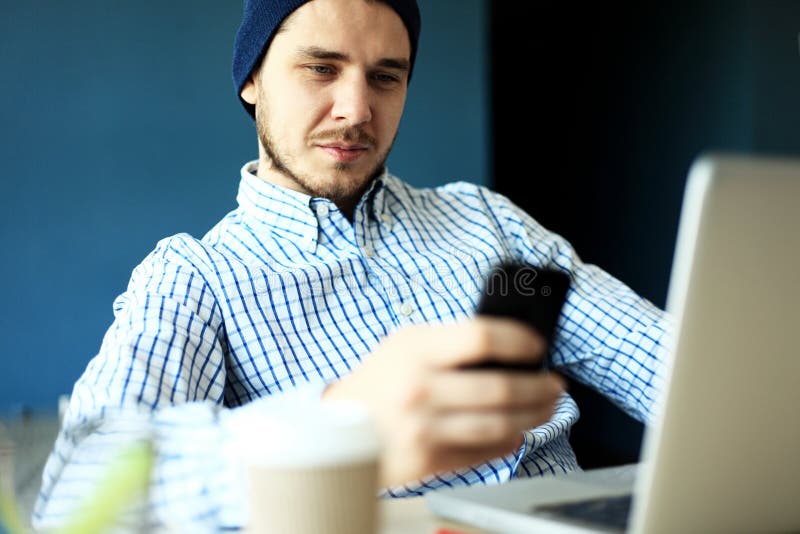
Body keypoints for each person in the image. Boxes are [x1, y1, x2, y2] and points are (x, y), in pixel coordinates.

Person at [33, 0, 672, 530]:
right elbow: (78, 493)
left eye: (386, 77)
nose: (356, 109)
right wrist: (342, 425)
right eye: (321, 68)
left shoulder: (488, 221)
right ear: (252, 79)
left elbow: (664, 362)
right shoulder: (196, 276)